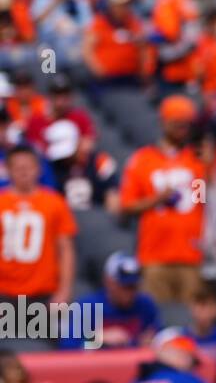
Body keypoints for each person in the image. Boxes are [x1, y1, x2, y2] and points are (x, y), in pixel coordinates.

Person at [119, 95, 208, 304]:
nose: (182, 130)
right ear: (163, 122)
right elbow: (127, 205)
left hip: (190, 255)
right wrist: (157, 199)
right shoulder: (142, 160)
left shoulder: (195, 160)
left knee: (189, 322)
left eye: (185, 125)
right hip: (154, 257)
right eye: (177, 124)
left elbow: (200, 201)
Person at [0, 143, 75, 307]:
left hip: (43, 293)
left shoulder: (55, 203)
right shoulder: (1, 202)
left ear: (38, 169)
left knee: (43, 332)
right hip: (4, 292)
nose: (24, 172)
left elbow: (65, 249)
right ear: (9, 170)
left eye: (28, 167)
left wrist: (64, 290)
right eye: (18, 168)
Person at [61, 251, 159, 350]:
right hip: (98, 363)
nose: (129, 292)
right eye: (124, 286)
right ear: (109, 282)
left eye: (133, 286)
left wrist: (152, 341)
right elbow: (68, 347)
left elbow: (157, 336)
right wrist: (98, 339)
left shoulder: (145, 305)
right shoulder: (88, 307)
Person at [183, 282, 216, 347]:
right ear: (190, 307)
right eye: (201, 306)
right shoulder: (181, 338)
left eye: (210, 306)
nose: (205, 312)